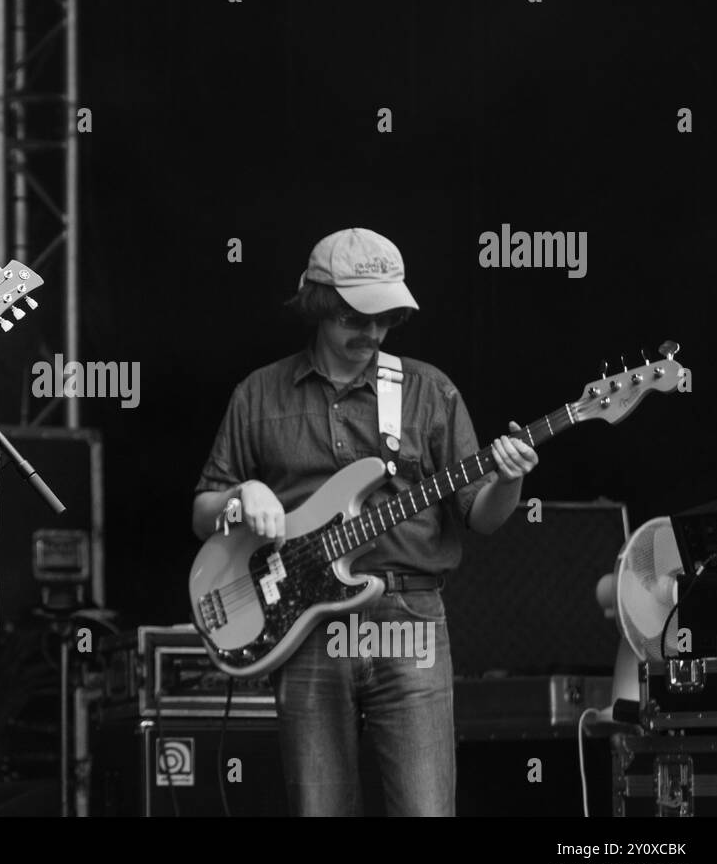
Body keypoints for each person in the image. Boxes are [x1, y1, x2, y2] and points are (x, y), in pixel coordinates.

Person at [191, 227, 538, 816]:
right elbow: (204, 512)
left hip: (409, 618)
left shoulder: (429, 391)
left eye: (385, 319)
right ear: (319, 307)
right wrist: (244, 494)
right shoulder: (259, 394)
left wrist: (510, 479)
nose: (372, 333)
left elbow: (480, 518)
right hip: (301, 627)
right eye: (356, 318)